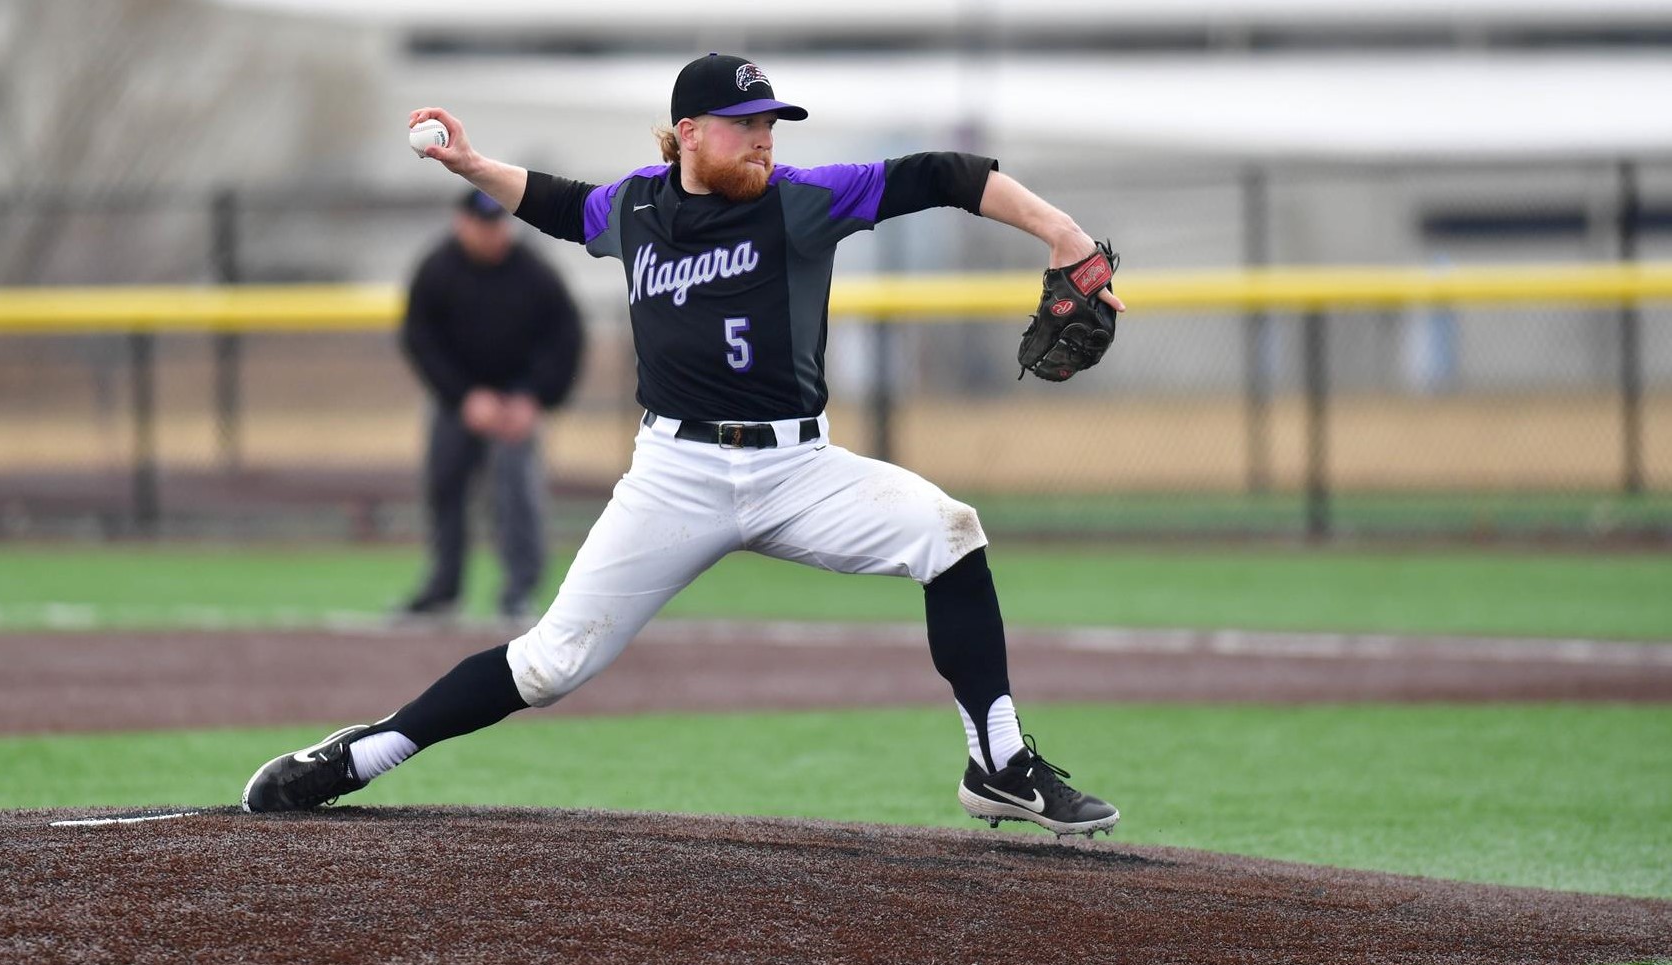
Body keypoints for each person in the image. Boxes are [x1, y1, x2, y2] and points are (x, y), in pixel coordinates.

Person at [243, 54, 1127, 837]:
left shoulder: (804, 203)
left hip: (798, 468)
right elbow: (556, 205)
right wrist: (471, 164)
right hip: (675, 475)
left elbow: (947, 174)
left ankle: (999, 764)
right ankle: (361, 755)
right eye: (744, 125)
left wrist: (1066, 237)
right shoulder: (635, 205)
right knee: (550, 665)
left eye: (771, 125)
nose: (763, 140)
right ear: (689, 134)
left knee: (949, 532)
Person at [397, 188, 584, 622]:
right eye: (482, 225)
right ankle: (444, 589)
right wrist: (462, 396)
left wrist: (535, 396)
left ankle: (519, 592)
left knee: (516, 494)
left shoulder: (534, 272)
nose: (491, 234)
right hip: (459, 400)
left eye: (498, 224)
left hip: (517, 399)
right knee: (445, 486)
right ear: (461, 222)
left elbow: (566, 337)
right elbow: (420, 339)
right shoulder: (437, 269)